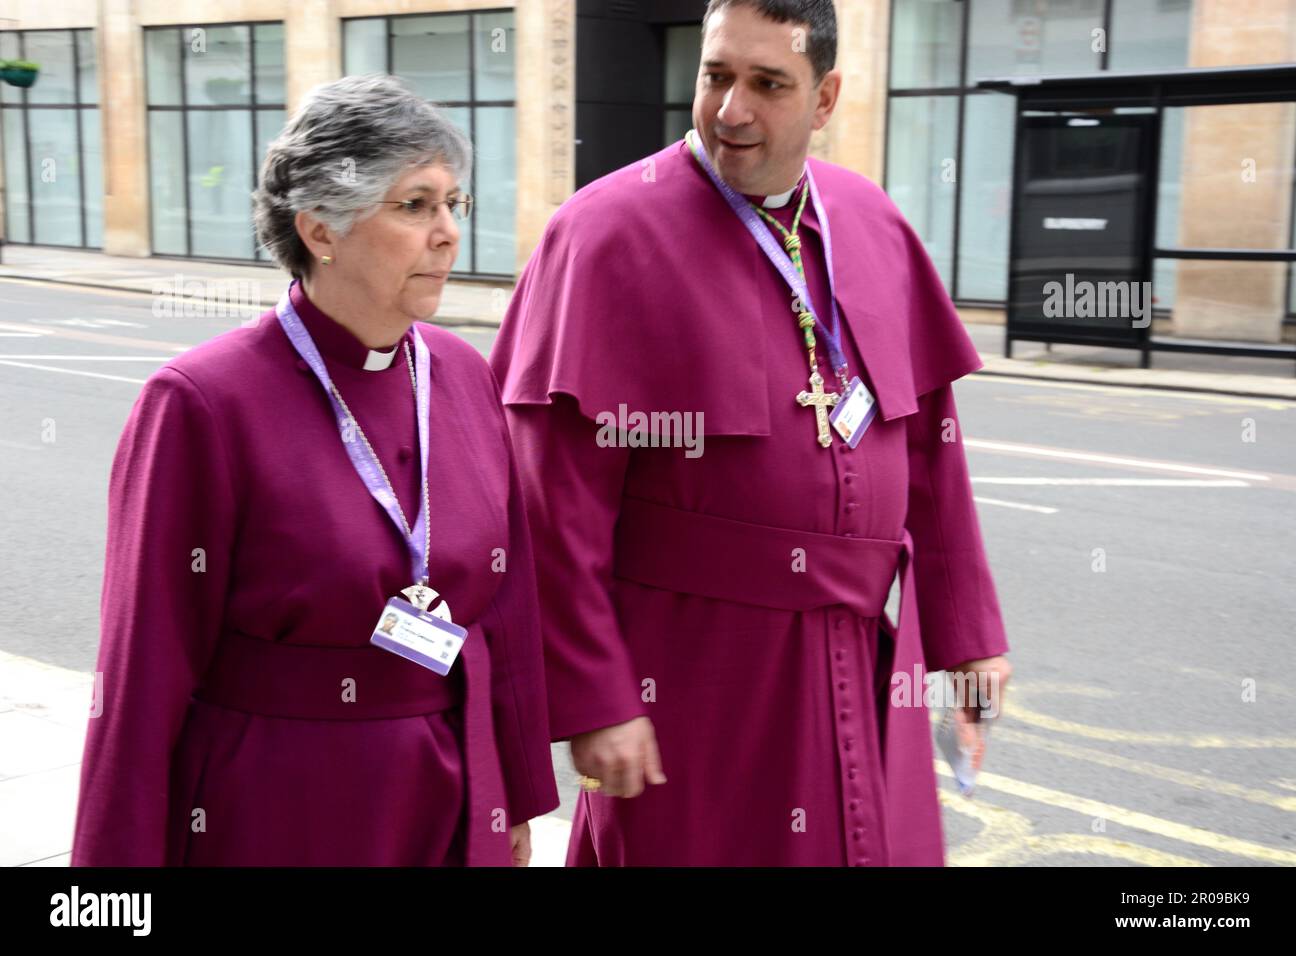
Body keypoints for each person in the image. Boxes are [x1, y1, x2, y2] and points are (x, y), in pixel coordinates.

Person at [489, 0, 1011, 866]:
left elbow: (929, 450)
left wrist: (969, 631)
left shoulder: (871, 221)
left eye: (768, 84)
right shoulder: (605, 233)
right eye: (716, 75)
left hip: (851, 650)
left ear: (826, 97)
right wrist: (597, 698)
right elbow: (551, 503)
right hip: (693, 670)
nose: (732, 109)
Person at [72, 75, 558, 866]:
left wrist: (516, 794)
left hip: (452, 797)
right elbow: (142, 674)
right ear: (320, 231)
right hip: (278, 806)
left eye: (453, 204)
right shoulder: (200, 403)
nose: (447, 234)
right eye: (414, 205)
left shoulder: (465, 373)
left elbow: (507, 603)